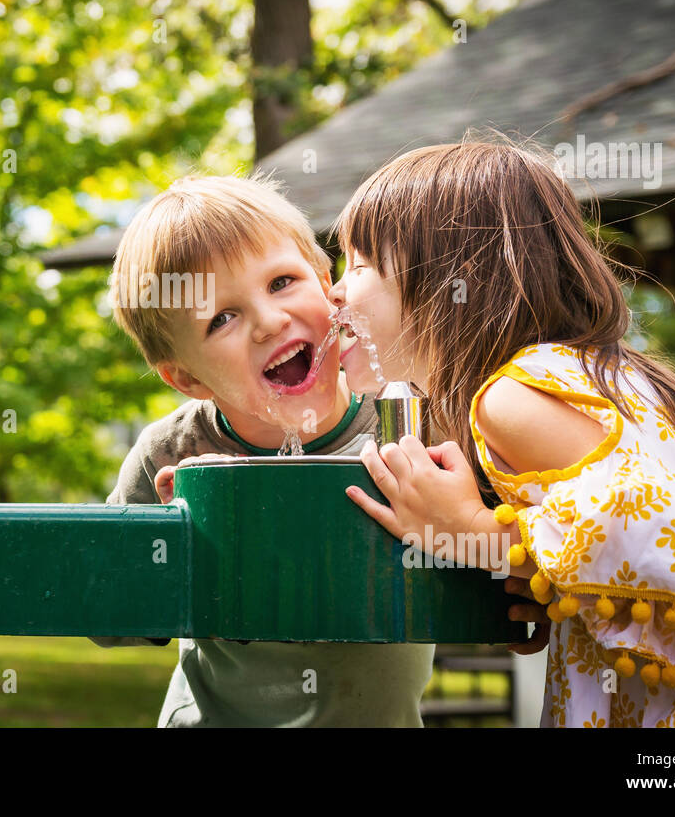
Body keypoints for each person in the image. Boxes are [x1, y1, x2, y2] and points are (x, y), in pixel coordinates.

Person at [328, 139, 675, 727]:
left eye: (356, 265)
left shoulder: (510, 396)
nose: (334, 291)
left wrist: (473, 533)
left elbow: (666, 534)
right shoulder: (605, 377)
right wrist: (544, 582)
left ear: (451, 280)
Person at [92, 172, 435, 727]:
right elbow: (107, 617)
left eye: (281, 282)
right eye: (221, 319)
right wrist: (186, 540)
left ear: (328, 283)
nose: (269, 322)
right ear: (187, 378)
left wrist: (509, 591)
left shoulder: (411, 421)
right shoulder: (172, 452)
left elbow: (493, 555)